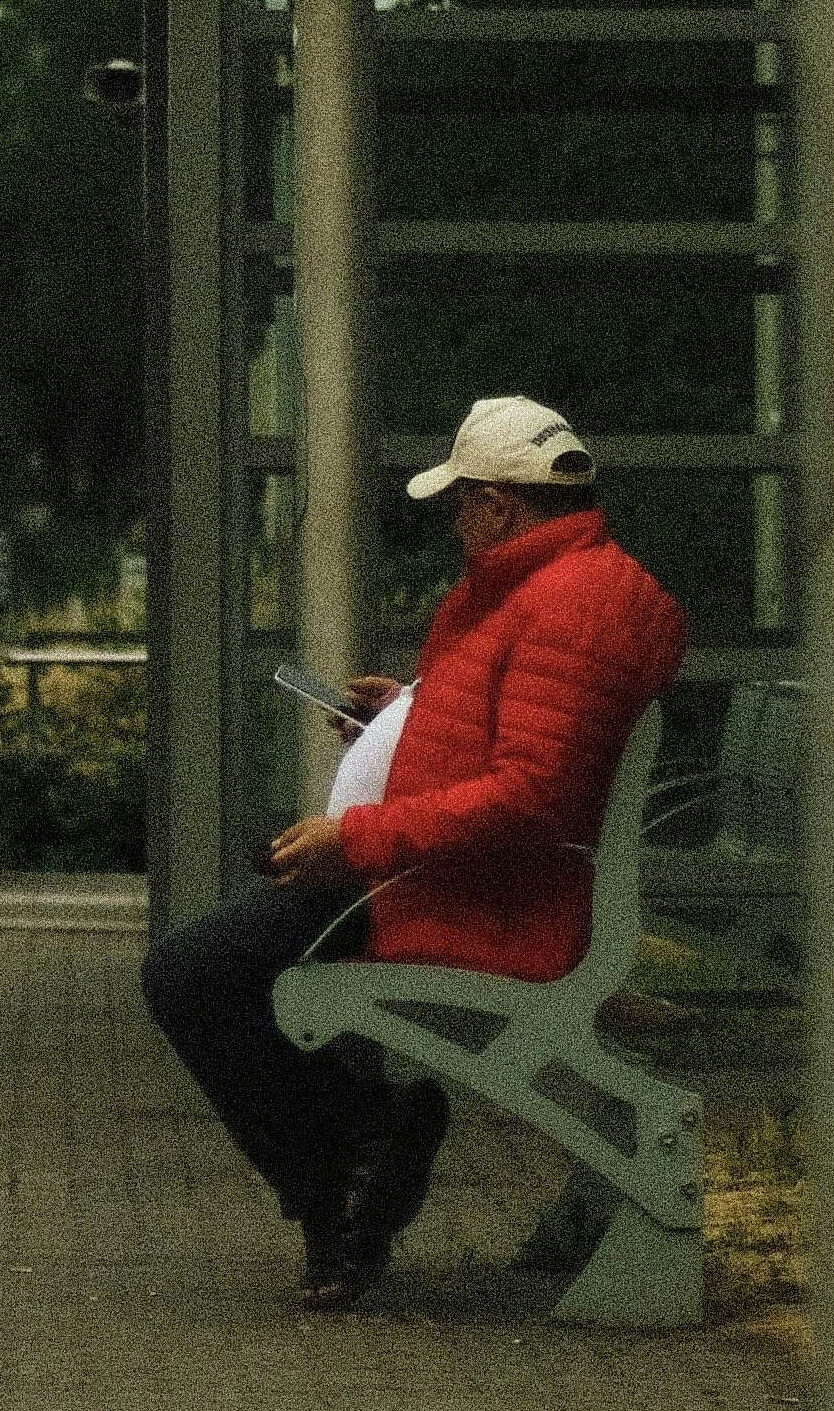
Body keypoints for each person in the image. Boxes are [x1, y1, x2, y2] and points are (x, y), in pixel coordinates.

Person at [139, 392, 688, 1315]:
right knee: (222, 953)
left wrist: (353, 837)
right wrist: (404, 714)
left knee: (190, 976)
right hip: (453, 881)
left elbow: (530, 794)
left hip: (472, 904)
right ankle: (352, 1166)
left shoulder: (560, 606)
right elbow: (522, 733)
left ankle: (355, 1160)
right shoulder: (566, 589)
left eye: (462, 503)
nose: (456, 524)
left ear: (501, 507)